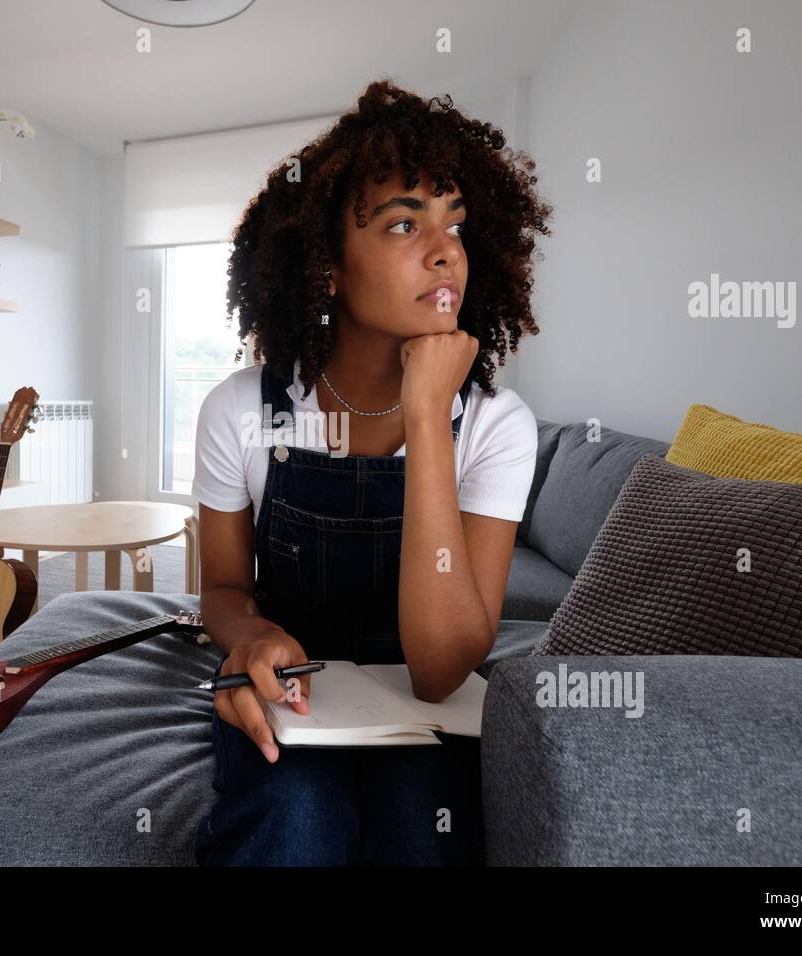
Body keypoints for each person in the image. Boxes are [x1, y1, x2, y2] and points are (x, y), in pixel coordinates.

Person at [190, 78, 553, 866]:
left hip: (426, 712)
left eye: (455, 223)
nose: (445, 247)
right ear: (327, 270)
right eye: (403, 222)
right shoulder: (238, 412)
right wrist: (251, 637)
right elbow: (220, 589)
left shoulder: (495, 426)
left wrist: (428, 417)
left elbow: (440, 667)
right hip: (288, 701)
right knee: (295, 823)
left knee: (424, 837)